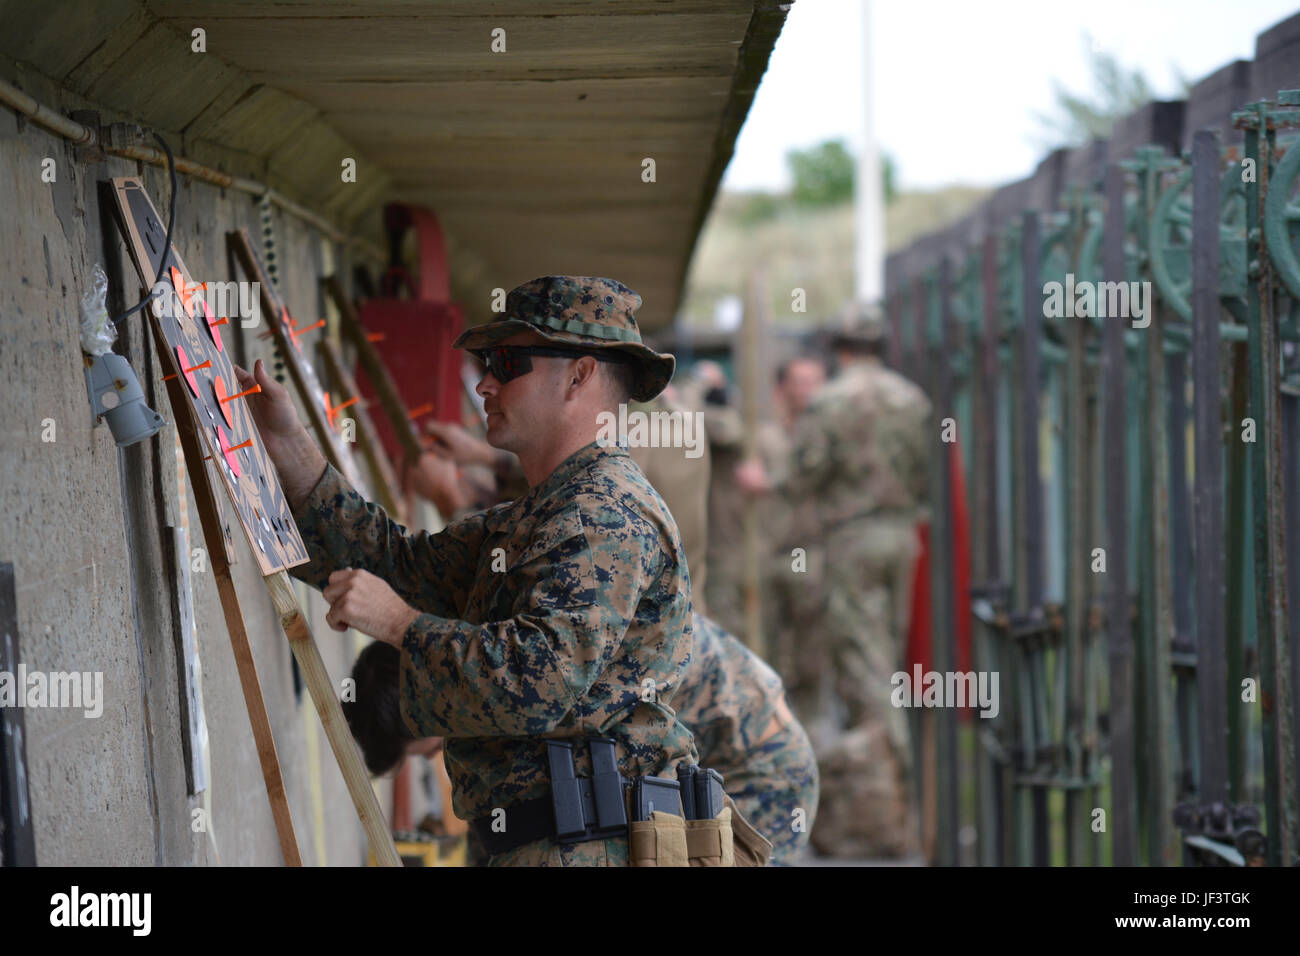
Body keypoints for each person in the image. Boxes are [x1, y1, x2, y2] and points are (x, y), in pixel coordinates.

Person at [235, 275, 695, 866]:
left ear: (579, 375)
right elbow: (397, 564)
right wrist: (290, 445)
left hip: (590, 845)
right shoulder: (544, 512)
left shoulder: (602, 515)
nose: (484, 383)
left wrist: (402, 626)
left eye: (508, 362)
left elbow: (537, 684)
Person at [344, 610, 818, 865]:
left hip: (764, 772)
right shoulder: (486, 652)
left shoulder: (518, 677)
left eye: (432, 748)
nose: (444, 759)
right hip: (720, 737)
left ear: (435, 711)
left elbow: (550, 797)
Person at [737, 310, 931, 859]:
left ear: (841, 349)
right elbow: (925, 469)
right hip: (903, 536)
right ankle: (894, 787)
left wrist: (765, 482)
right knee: (889, 654)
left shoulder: (831, 402)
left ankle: (885, 797)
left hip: (852, 542)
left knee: (863, 666)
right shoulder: (913, 399)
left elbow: (805, 473)